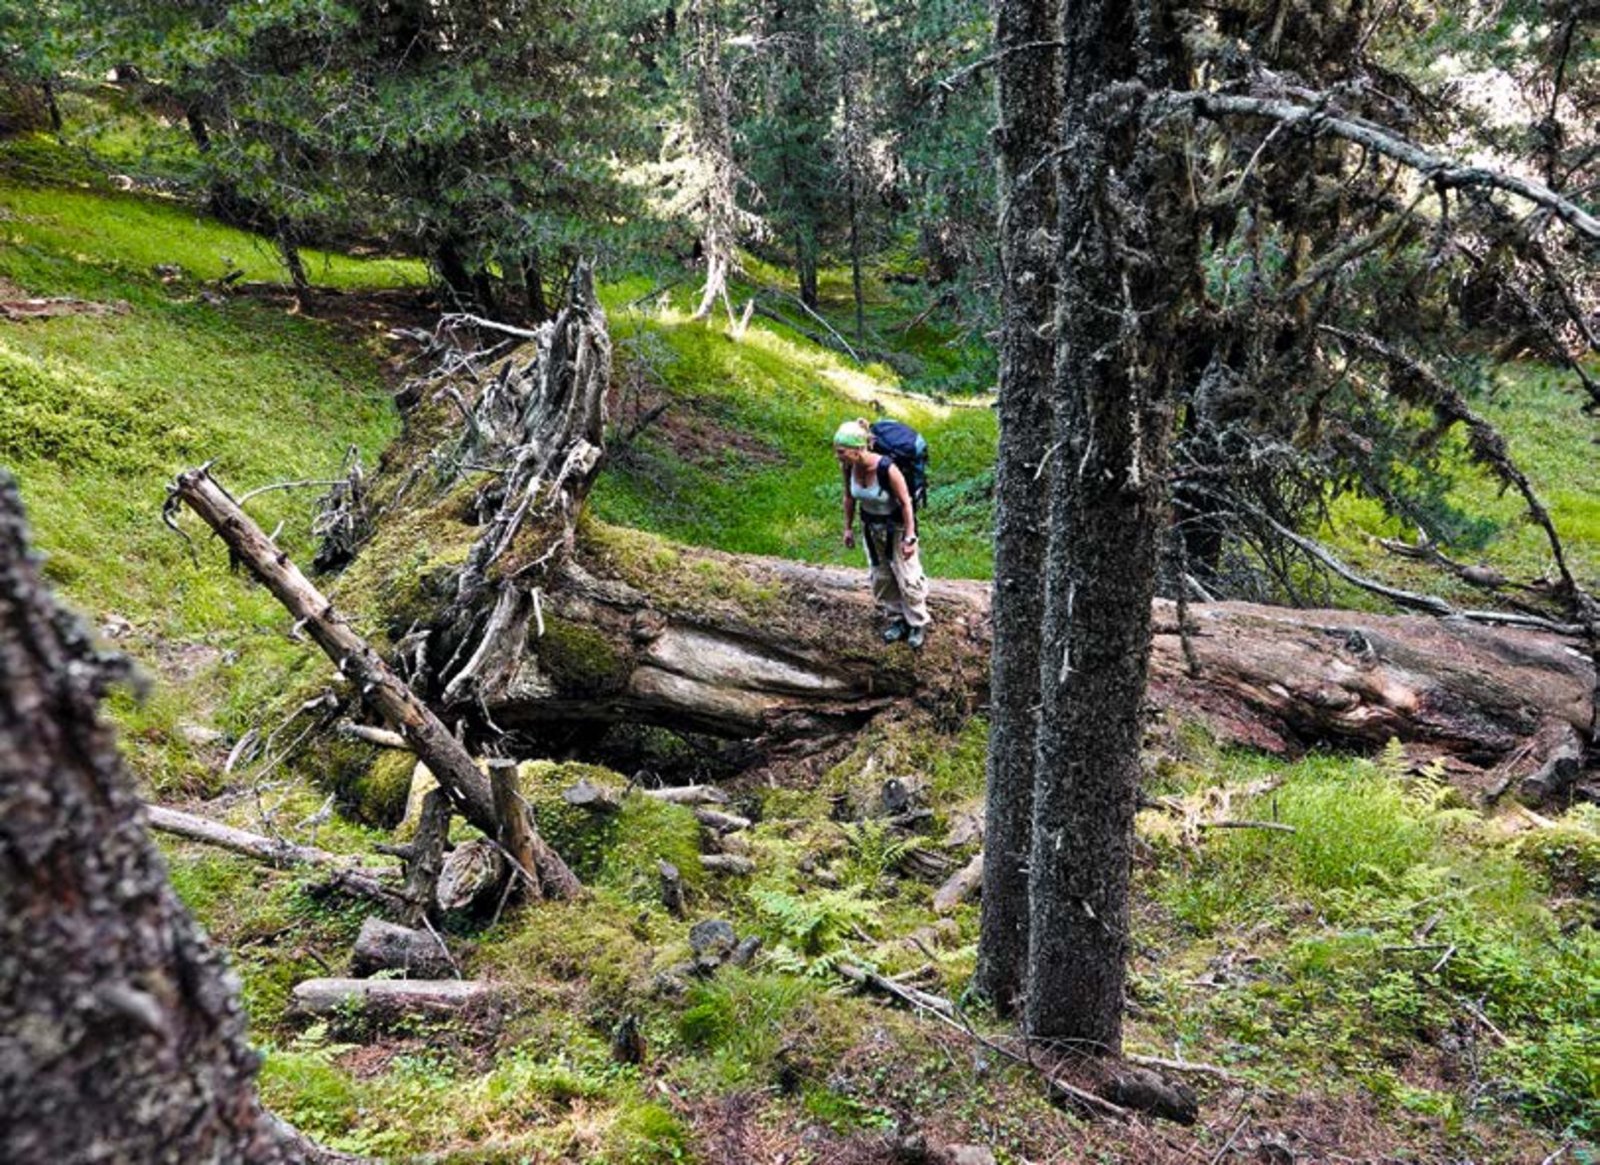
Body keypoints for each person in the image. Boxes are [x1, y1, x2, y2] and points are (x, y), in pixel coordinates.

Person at [833, 419, 931, 648]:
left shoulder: (887, 468)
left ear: (858, 449)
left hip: (895, 528)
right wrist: (848, 528)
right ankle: (897, 619)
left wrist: (910, 537)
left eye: (842, 452)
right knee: (882, 576)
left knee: (908, 577)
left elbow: (906, 503)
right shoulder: (848, 467)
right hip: (870, 528)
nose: (838, 456)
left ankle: (917, 622)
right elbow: (849, 498)